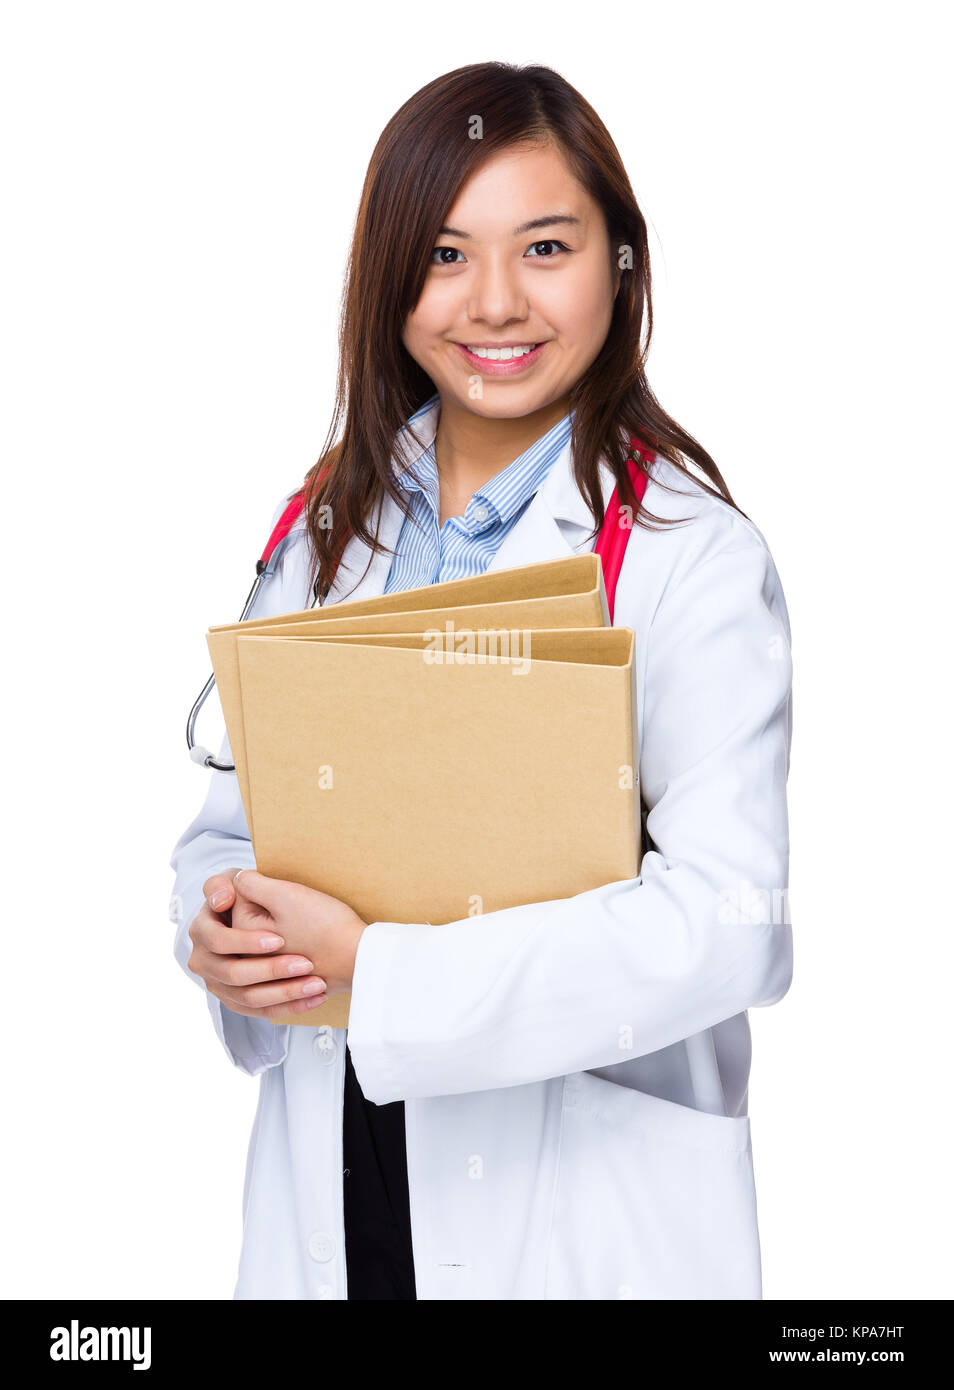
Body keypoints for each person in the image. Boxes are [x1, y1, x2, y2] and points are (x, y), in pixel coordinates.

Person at [169, 60, 794, 1301]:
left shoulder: (687, 558)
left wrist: (382, 974)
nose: (495, 303)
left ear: (621, 263)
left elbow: (730, 930)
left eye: (546, 247)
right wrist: (220, 926)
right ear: (387, 277)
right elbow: (234, 826)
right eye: (446, 254)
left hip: (578, 1228)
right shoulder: (325, 528)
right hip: (339, 1189)